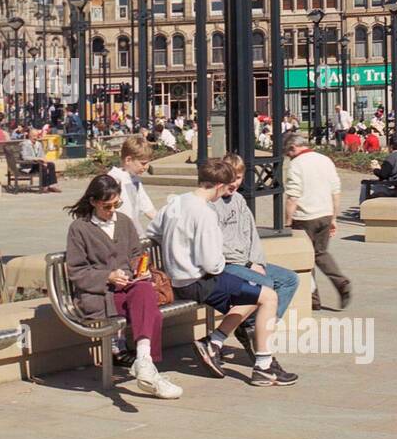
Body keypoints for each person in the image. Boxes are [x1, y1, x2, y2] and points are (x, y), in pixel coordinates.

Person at [148, 158, 295, 387]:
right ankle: (263, 366)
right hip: (199, 281)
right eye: (226, 187)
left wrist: (176, 250)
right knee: (269, 295)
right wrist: (215, 265)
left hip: (178, 278)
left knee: (255, 294)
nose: (227, 192)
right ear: (218, 186)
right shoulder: (205, 213)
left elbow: (152, 230)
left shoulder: (176, 203)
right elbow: (211, 264)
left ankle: (215, 342)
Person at [65, 174, 180, 399]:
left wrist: (141, 269)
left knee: (145, 290)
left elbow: (136, 254)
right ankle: (149, 369)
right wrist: (108, 276)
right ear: (93, 202)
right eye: (107, 206)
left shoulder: (124, 222)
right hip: (102, 294)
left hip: (130, 286)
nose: (112, 210)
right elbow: (77, 271)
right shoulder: (79, 228)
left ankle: (143, 360)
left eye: (116, 204)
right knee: (149, 309)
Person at [210, 154, 300, 354]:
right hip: (228, 264)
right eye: (231, 178)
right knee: (265, 284)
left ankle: (262, 327)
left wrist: (257, 261)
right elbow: (217, 246)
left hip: (248, 261)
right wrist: (249, 265)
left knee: (289, 279)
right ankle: (252, 327)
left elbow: (252, 236)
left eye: (239, 178)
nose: (234, 183)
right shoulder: (212, 204)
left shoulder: (240, 200)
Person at [284, 131, 349, 310]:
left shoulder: (297, 164)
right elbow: (335, 189)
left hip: (304, 218)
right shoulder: (324, 160)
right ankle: (341, 282)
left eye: (287, 153)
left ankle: (313, 299)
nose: (288, 157)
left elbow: (292, 196)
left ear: (293, 147)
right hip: (325, 214)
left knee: (306, 258)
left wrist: (288, 221)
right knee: (321, 253)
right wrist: (334, 217)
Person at [108, 135, 157, 238]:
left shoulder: (134, 179)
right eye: (143, 163)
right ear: (128, 160)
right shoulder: (114, 179)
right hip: (118, 234)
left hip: (132, 232)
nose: (146, 167)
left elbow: (147, 207)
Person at [358, 134, 397, 205]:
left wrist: (375, 169)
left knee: (365, 185)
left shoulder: (391, 157)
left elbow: (383, 175)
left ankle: (363, 208)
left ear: (391, 147)